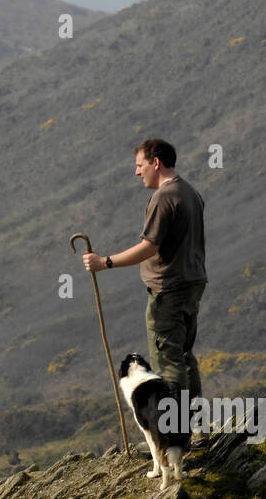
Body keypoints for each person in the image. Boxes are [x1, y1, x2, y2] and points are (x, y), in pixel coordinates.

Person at [81, 138, 207, 401]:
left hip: (168, 290)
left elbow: (149, 247)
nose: (137, 172)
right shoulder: (190, 192)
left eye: (140, 165)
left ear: (156, 163)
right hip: (192, 284)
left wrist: (105, 262)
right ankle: (194, 424)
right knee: (183, 354)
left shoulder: (163, 198)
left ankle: (177, 432)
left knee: (168, 361)